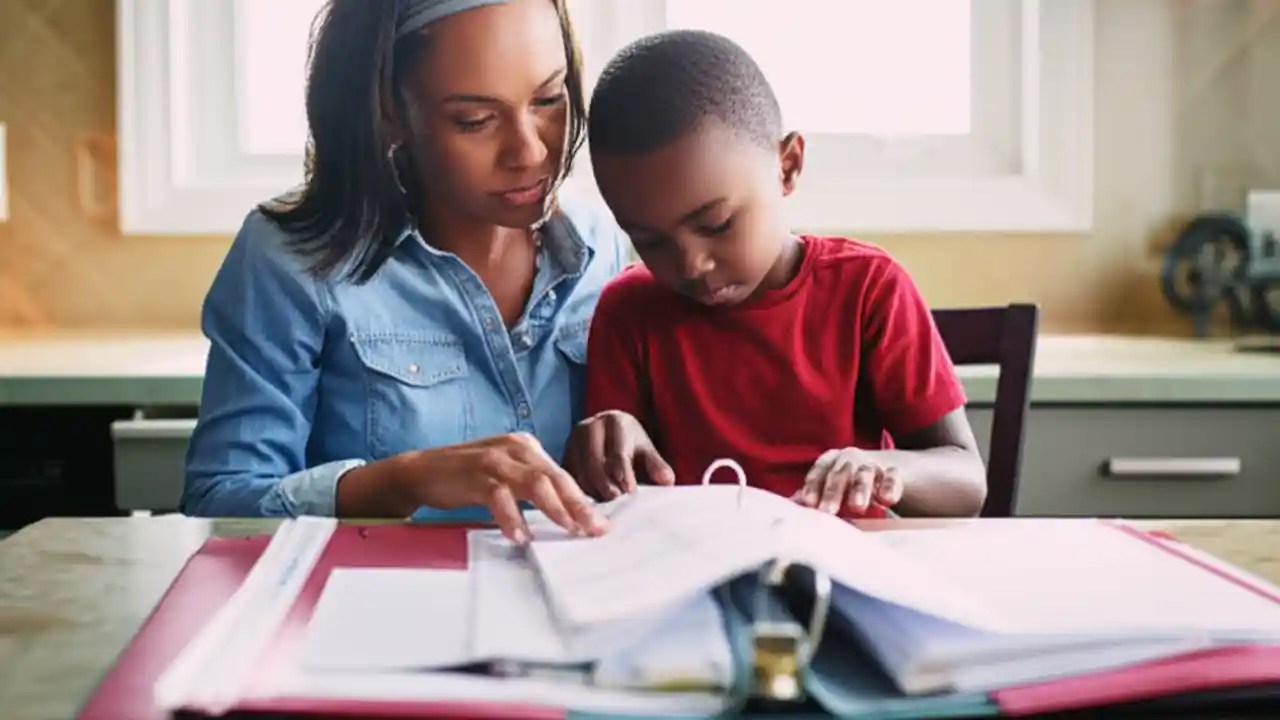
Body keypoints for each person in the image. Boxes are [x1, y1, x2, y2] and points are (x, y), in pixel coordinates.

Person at [182, 0, 659, 543]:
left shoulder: (604, 243)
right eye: (475, 120)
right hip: (381, 615)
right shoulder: (290, 259)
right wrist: (405, 480)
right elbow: (219, 505)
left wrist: (628, 435)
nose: (530, 151)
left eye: (550, 99)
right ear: (390, 111)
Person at [572, 29, 988, 518]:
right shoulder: (630, 311)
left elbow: (966, 483)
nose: (690, 265)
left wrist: (884, 468)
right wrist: (606, 448)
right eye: (650, 241)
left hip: (840, 576)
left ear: (787, 166)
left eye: (717, 224)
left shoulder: (869, 291)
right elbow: (610, 503)